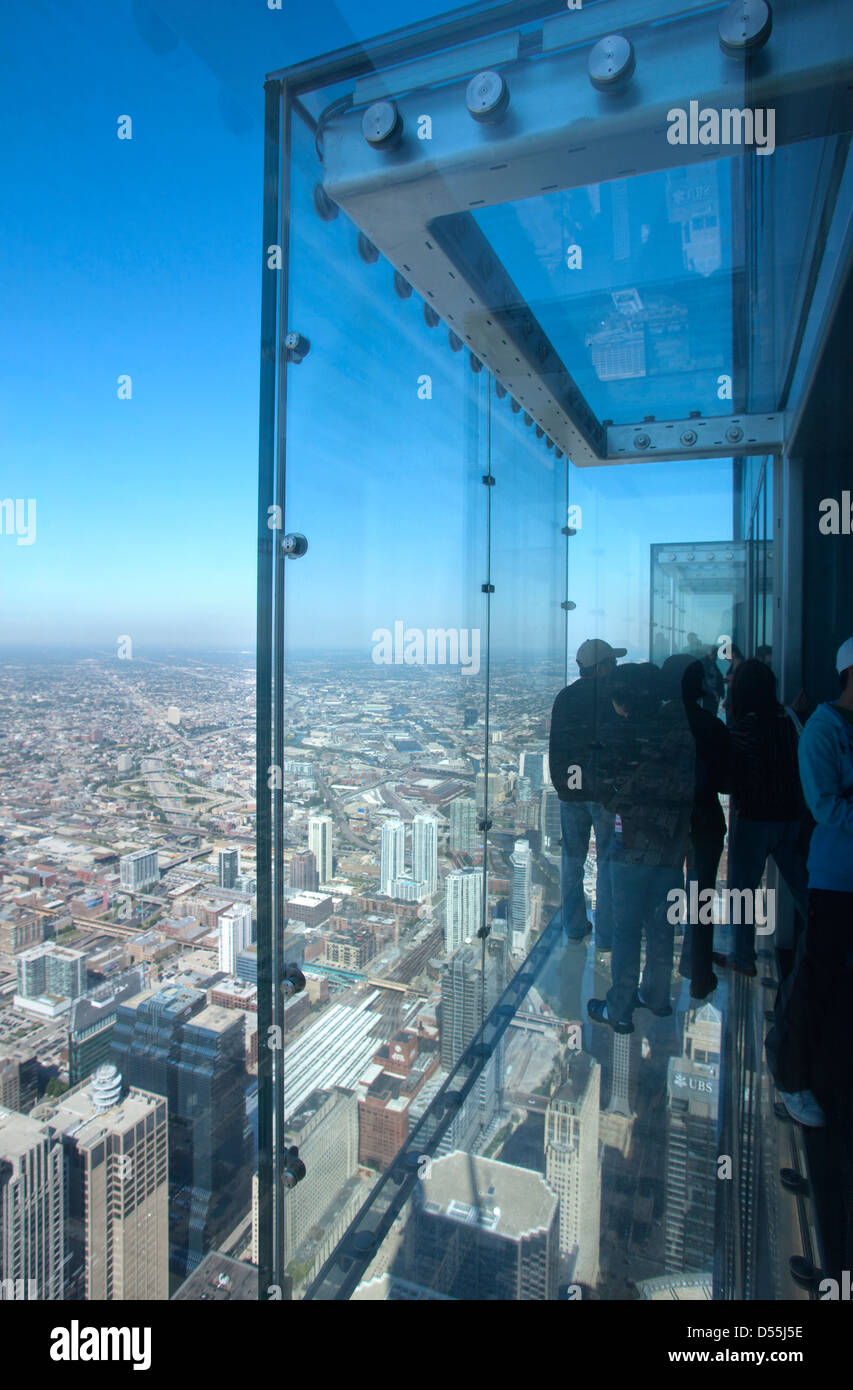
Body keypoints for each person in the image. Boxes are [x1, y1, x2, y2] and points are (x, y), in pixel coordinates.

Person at [766, 636, 853, 1128]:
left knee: (826, 972)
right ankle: (793, 1074)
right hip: (836, 876)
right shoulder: (823, 731)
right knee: (817, 972)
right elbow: (824, 806)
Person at [587, 662, 694, 1032]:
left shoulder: (620, 734)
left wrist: (621, 803)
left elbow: (603, 789)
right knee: (663, 924)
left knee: (627, 929)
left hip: (630, 843)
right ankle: (659, 997)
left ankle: (619, 1009)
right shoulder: (682, 729)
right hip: (671, 845)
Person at [716, 659, 810, 977]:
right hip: (791, 818)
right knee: (803, 888)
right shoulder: (788, 721)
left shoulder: (744, 728)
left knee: (744, 891)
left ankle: (743, 958)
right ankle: (827, 937)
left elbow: (728, 778)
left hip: (754, 818)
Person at [661, 656, 731, 999]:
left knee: (660, 899)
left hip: (664, 828)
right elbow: (727, 782)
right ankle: (698, 973)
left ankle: (656, 980)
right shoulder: (711, 725)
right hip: (704, 823)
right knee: (700, 901)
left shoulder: (655, 725)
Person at [548, 638, 625, 946]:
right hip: (605, 795)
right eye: (613, 662)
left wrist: (564, 787)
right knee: (607, 864)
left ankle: (574, 927)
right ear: (603, 666)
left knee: (572, 862)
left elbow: (557, 747)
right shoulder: (613, 697)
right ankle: (606, 934)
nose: (616, 666)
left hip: (572, 795)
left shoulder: (565, 698)